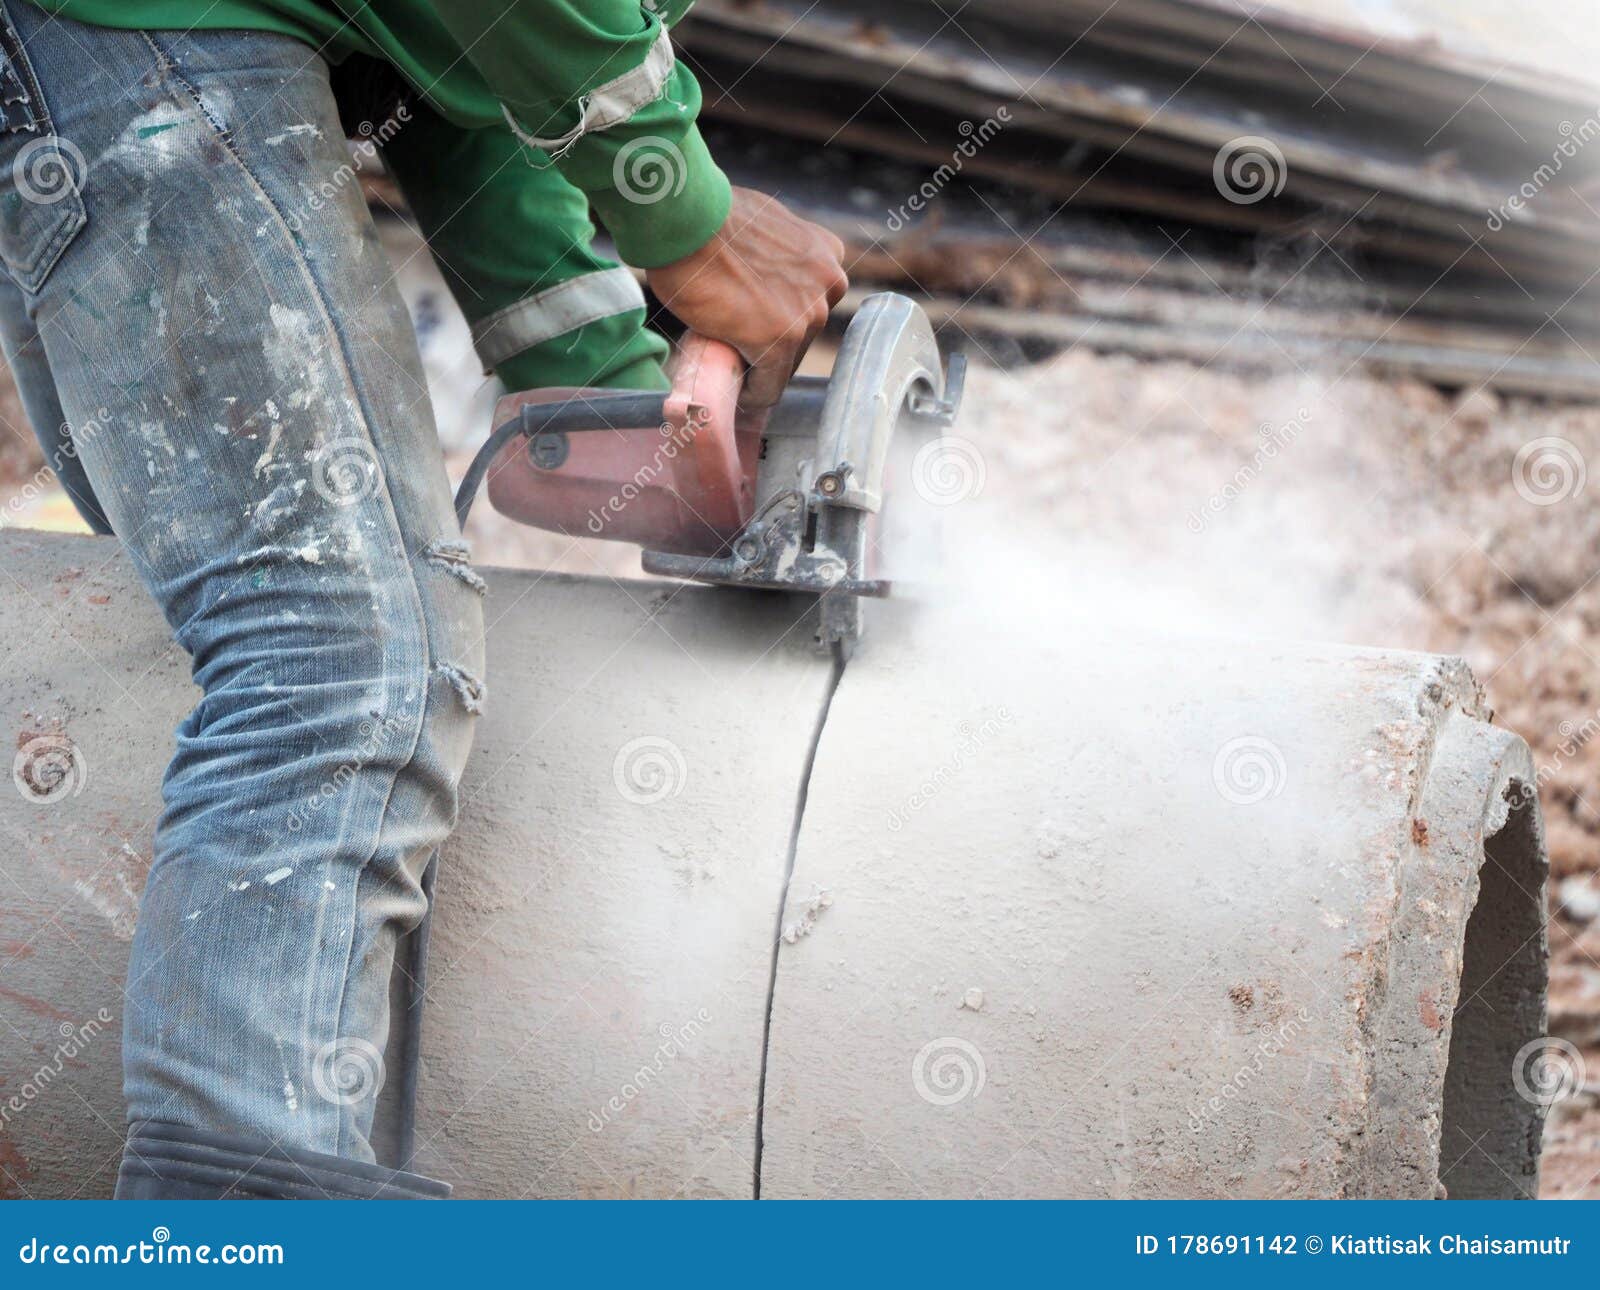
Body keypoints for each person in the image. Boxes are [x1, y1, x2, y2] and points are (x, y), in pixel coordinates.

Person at [1, 0, 847, 1198]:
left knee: (239, 619)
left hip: (107, 48)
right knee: (334, 649)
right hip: (139, 44)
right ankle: (233, 1232)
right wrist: (691, 225)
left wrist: (598, 378)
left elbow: (457, 60)